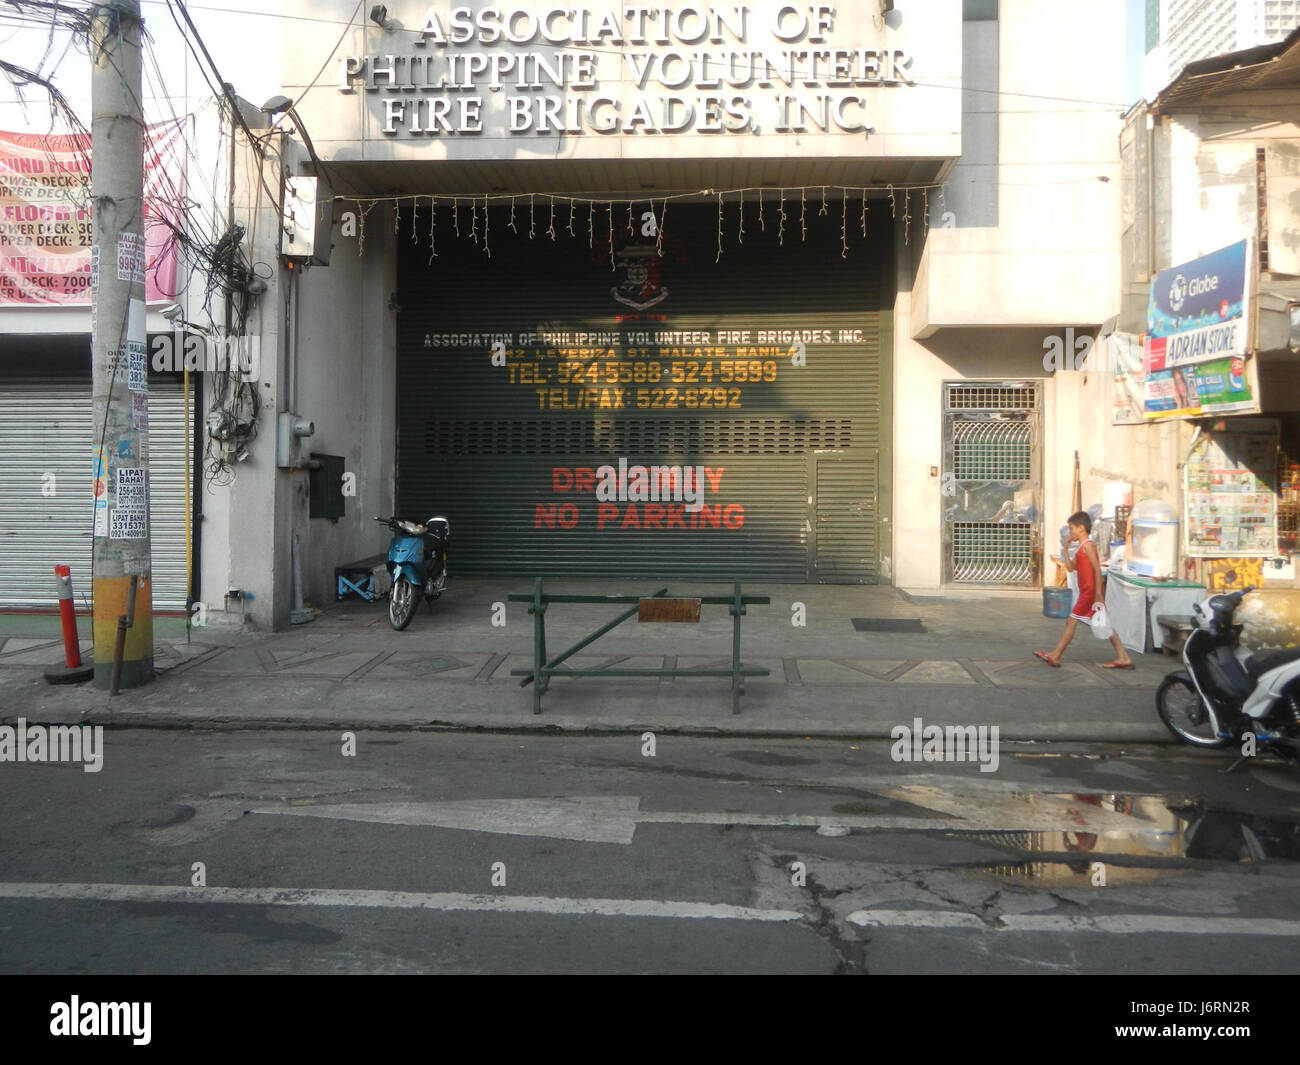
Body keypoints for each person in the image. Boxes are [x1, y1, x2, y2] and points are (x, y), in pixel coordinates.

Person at [1035, 511, 1134, 669]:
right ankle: (1123, 657)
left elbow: (1096, 569)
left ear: (1081, 528)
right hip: (1087, 592)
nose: (1070, 531)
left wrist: (1098, 595)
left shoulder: (1088, 545)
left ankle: (1056, 655)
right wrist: (1066, 549)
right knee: (1105, 623)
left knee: (1071, 620)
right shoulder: (1081, 547)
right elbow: (1070, 567)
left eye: (1071, 528)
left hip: (1089, 593)